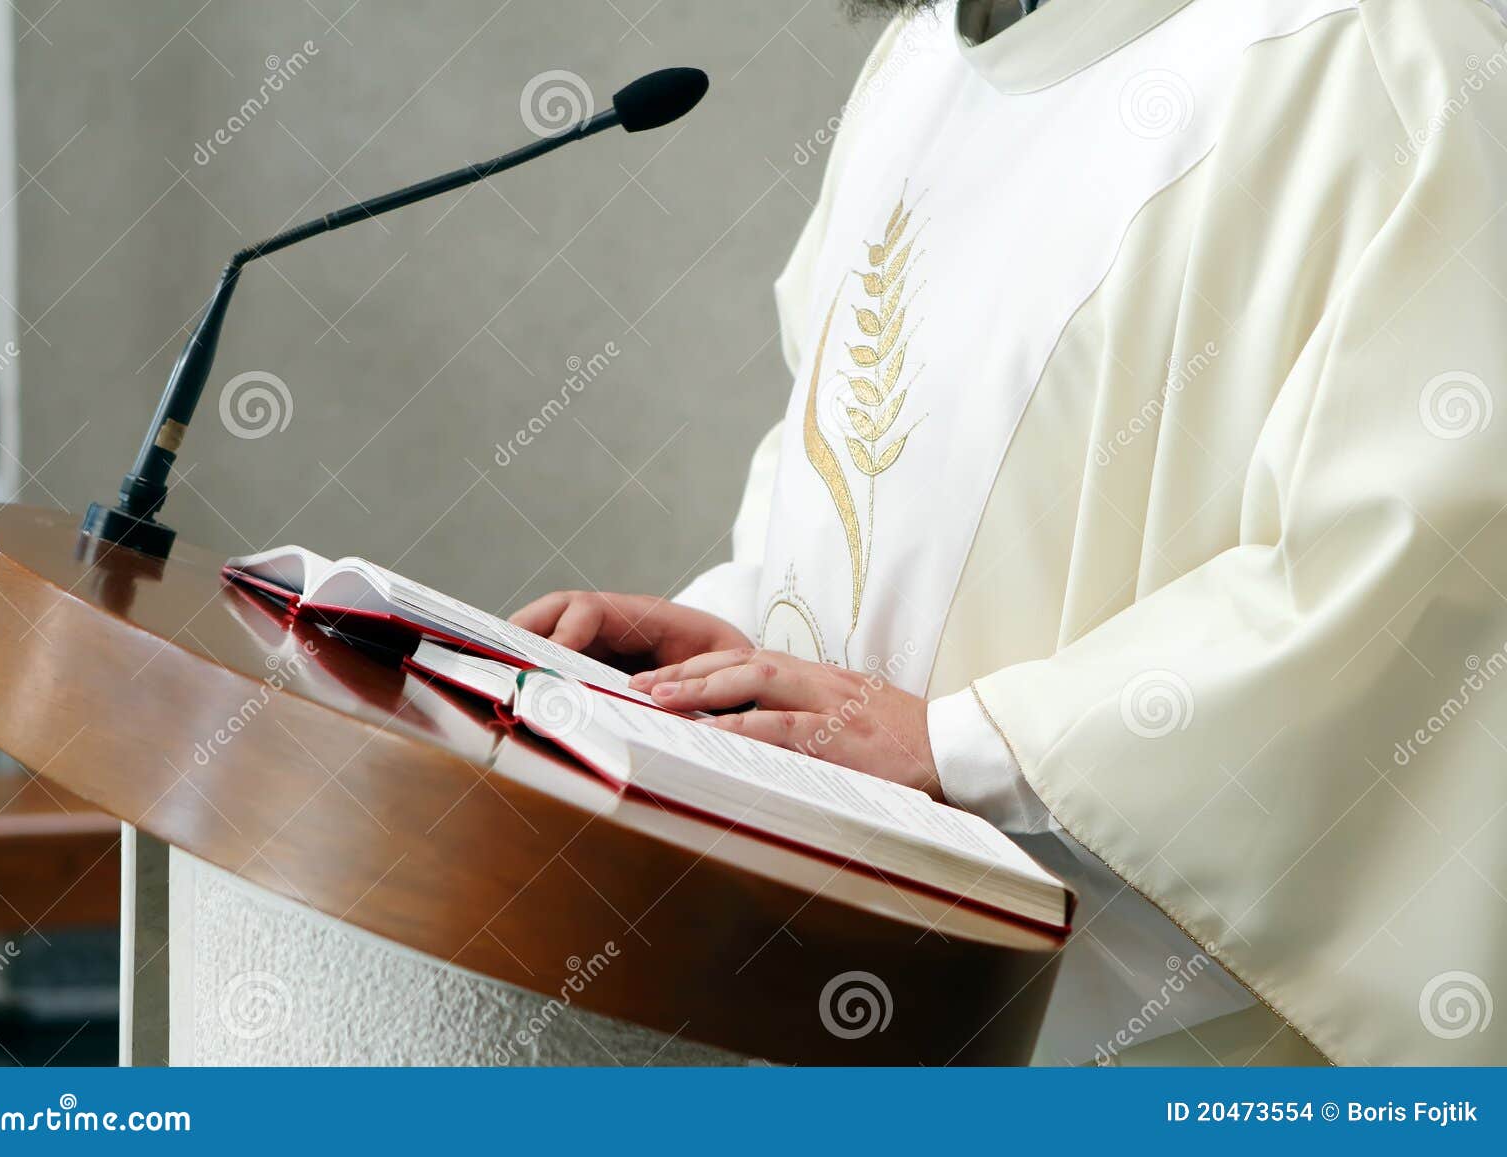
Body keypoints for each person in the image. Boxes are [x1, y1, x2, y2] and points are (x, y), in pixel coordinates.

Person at [513, 0, 1507, 1065]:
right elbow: (849, 456)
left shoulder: (1367, 47)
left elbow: (1422, 559)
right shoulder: (918, 65)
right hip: (854, 979)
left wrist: (968, 745)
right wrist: (732, 636)